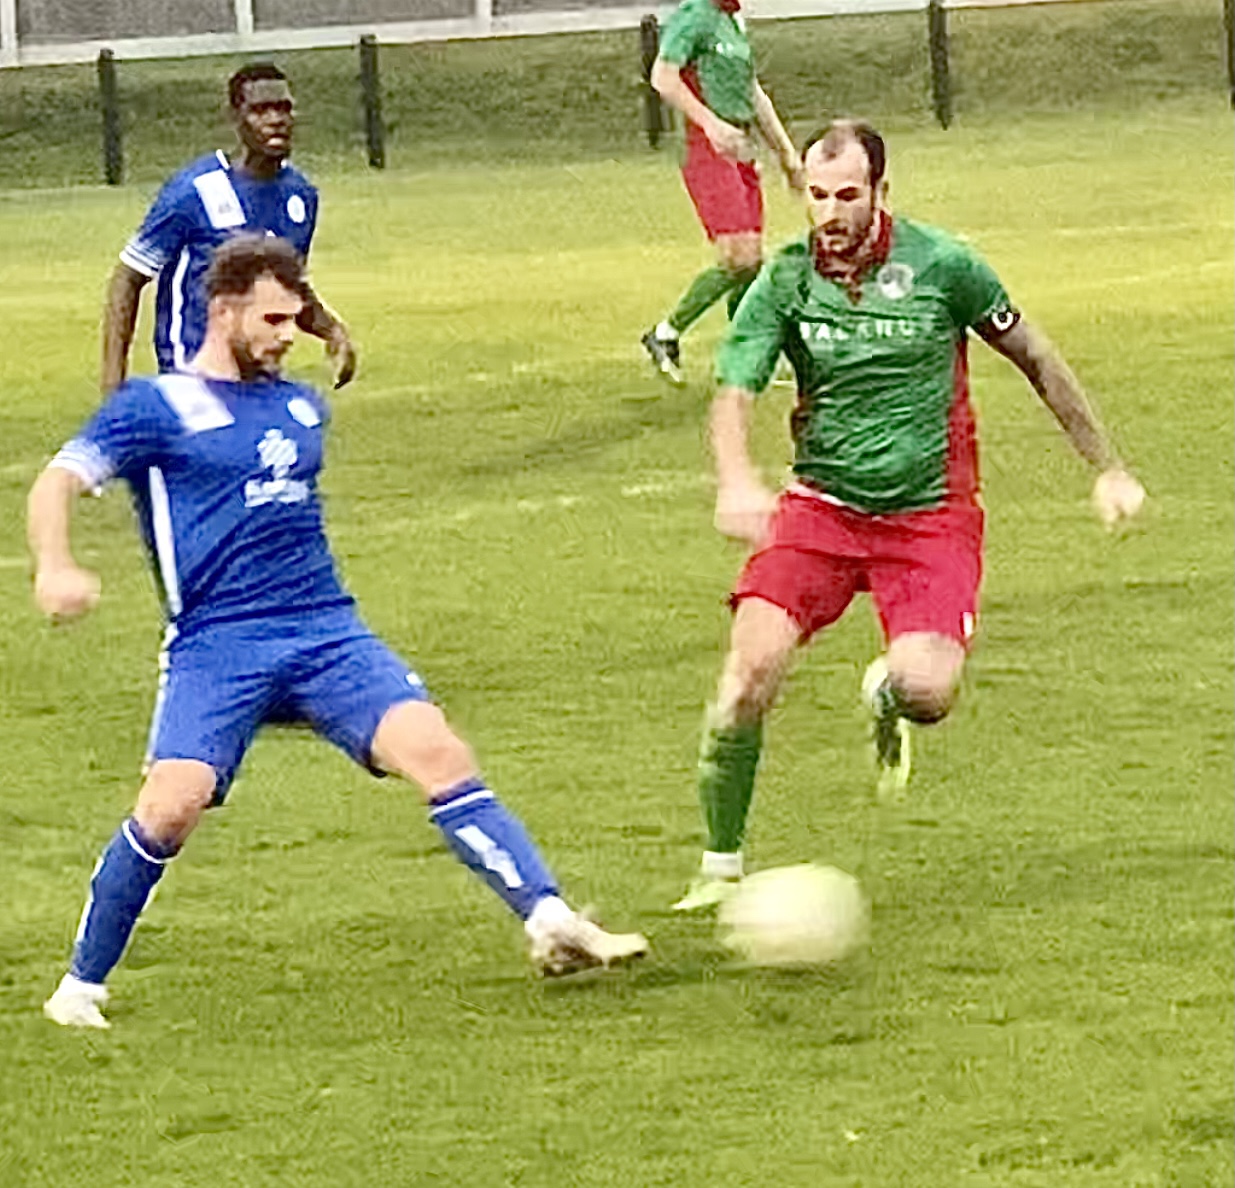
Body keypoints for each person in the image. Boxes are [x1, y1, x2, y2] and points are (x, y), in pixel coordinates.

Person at [30, 235, 646, 1029]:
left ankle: (551, 920)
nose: (289, 335)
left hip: (326, 630)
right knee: (172, 804)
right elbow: (57, 481)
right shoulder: (155, 407)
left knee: (438, 752)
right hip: (220, 643)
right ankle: (79, 990)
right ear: (222, 312)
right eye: (274, 319)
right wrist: (55, 565)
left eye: (295, 318)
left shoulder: (299, 406)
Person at [673, 120, 1146, 910]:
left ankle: (886, 697)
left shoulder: (943, 265)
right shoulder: (785, 279)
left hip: (929, 518)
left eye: (847, 195)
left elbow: (1035, 354)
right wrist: (735, 479)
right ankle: (719, 867)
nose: (829, 213)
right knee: (748, 673)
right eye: (817, 196)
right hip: (818, 510)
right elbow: (733, 394)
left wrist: (1106, 467)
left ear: (880, 192)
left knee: (927, 691)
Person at [101, 62, 355, 394]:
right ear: (236, 117)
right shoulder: (194, 191)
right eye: (260, 110)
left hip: (259, 377)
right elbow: (129, 276)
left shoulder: (300, 195)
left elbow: (290, 289)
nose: (276, 120)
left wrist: (333, 331)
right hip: (192, 375)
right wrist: (112, 382)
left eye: (283, 108)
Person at [640, 0, 804, 386]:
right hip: (706, 146)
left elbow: (753, 93)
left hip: (739, 145)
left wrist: (788, 156)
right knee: (740, 254)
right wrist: (712, 125)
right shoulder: (695, 15)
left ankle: (743, 354)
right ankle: (665, 334)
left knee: (751, 262)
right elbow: (662, 77)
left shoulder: (732, 21)